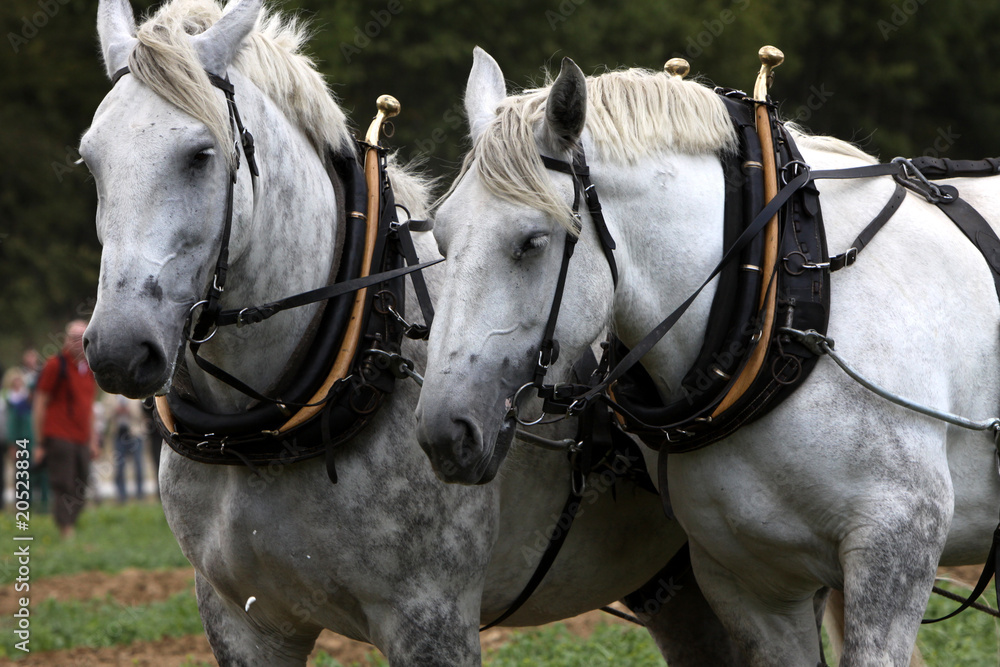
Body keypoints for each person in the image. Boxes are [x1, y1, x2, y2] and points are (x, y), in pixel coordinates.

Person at [33, 320, 98, 539]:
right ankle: (66, 530)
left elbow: (89, 408)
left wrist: (94, 440)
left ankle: (70, 523)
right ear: (65, 340)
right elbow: (40, 402)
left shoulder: (89, 370)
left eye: (83, 338)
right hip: (59, 434)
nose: (79, 343)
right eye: (74, 338)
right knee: (64, 482)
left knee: (82, 482)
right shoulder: (55, 365)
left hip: (82, 437)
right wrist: (40, 442)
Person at [3, 368, 36, 511]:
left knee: (27, 471)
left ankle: (28, 503)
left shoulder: (25, 399)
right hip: (13, 438)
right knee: (19, 472)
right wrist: (12, 442)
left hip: (27, 438)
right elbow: (10, 422)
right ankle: (22, 503)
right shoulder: (7, 399)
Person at [105, 394, 146, 502]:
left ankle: (140, 495)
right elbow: (105, 414)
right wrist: (115, 410)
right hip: (118, 434)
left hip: (135, 434)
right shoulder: (110, 394)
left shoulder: (135, 392)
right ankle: (121, 496)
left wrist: (129, 410)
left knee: (138, 465)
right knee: (119, 467)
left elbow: (142, 414)